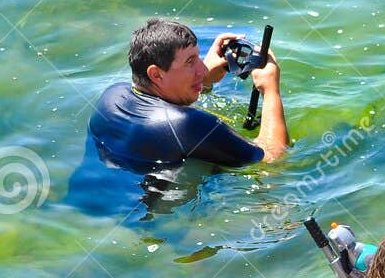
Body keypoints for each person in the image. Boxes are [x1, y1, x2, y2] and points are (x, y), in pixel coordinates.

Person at [88, 18, 289, 173]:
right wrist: (270, 90)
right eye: (190, 62)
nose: (202, 68)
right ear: (156, 74)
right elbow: (272, 161)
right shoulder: (191, 125)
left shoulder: (112, 95)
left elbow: (163, 111)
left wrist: (204, 81)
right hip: (155, 219)